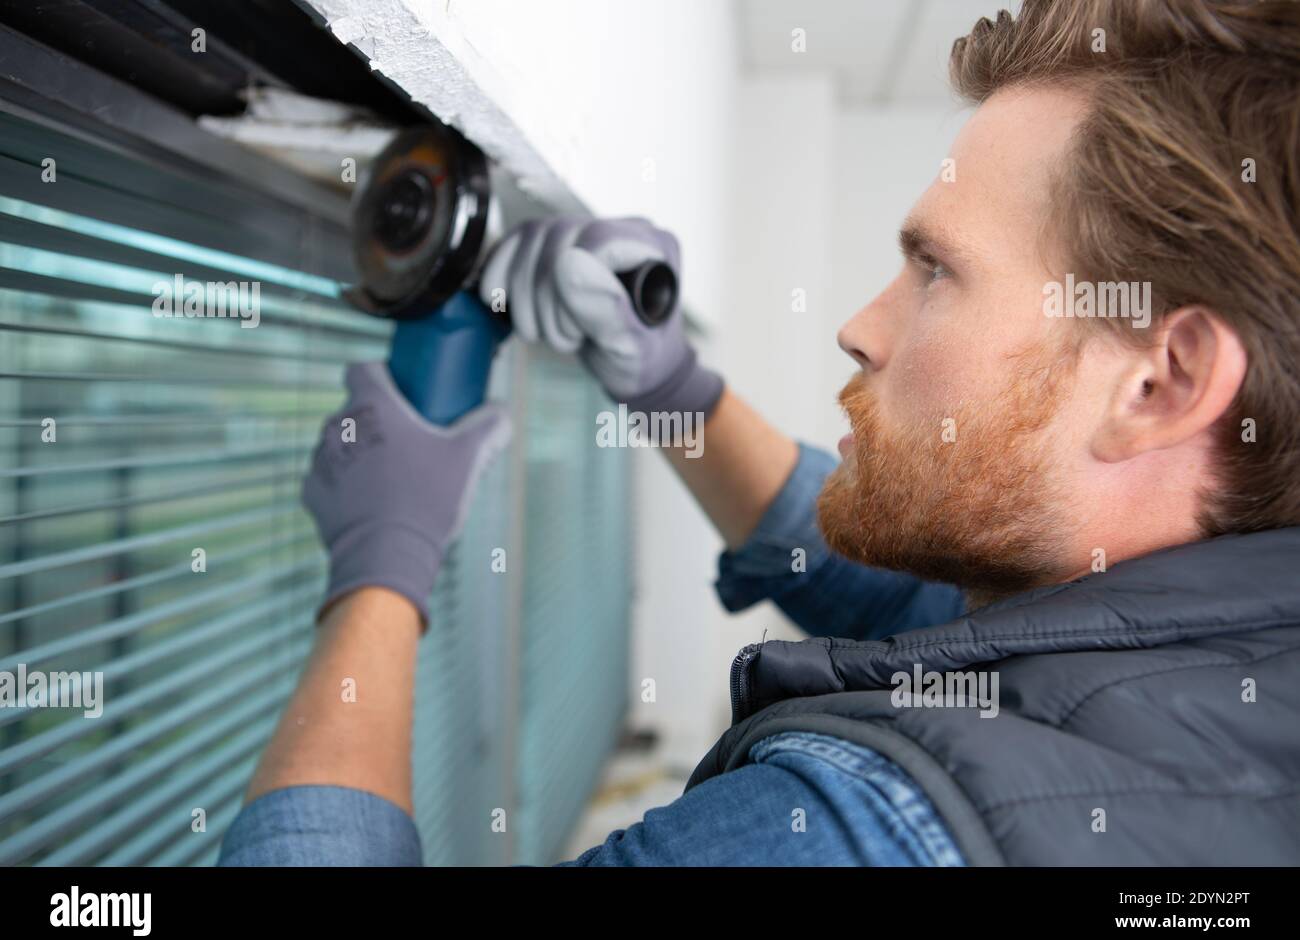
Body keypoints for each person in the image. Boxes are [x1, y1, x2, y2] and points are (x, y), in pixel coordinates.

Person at [218, 0, 1300, 866]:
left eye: (935, 271)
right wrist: (666, 383)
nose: (858, 326)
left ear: (1160, 381)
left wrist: (379, 567)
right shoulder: (1229, 643)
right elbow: (902, 603)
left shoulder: (850, 834)